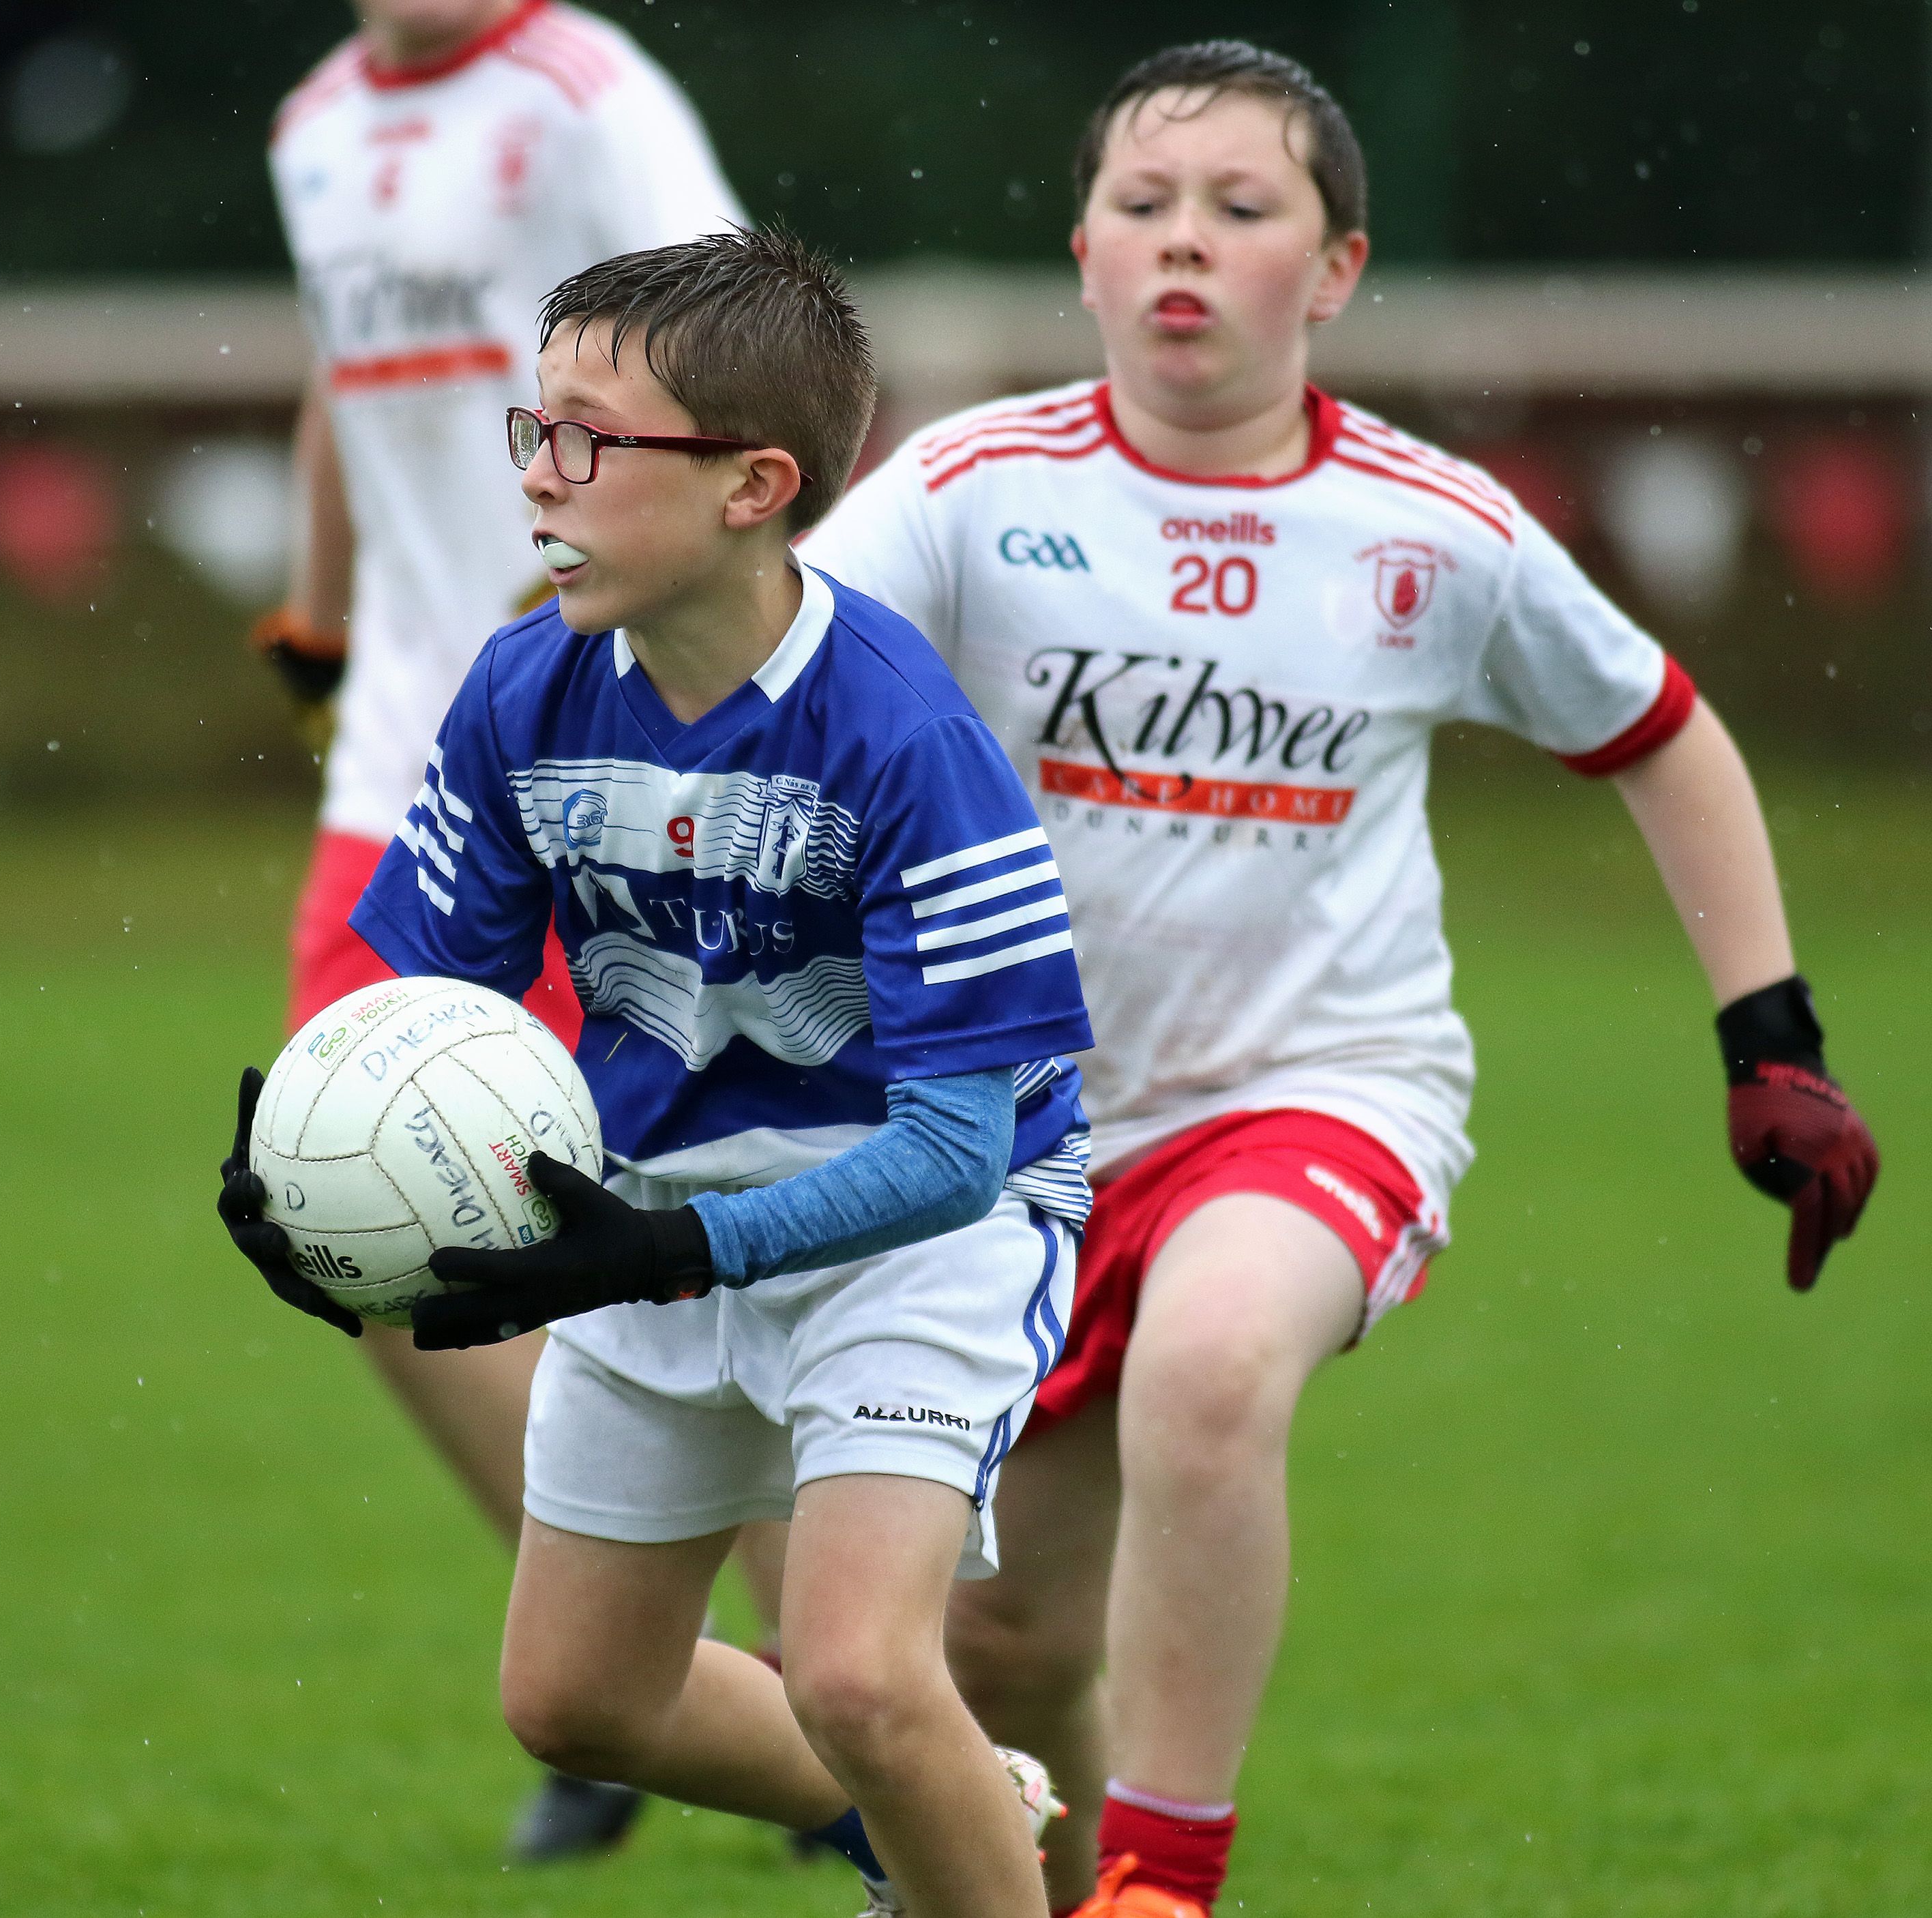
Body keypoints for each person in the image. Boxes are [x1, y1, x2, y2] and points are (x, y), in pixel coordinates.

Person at [799, 42, 1881, 1917]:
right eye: (1144, 208)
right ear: (1083, 255)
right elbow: (776, 682)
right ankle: (1014, 1863)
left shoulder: (1431, 528)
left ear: (1341, 268)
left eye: (1242, 207)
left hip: (1322, 1087)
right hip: (1017, 1130)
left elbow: (1662, 734)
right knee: (1005, 1637)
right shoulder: (970, 490)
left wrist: (1768, 1036)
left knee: (1217, 1366)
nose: (1185, 248)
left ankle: (1160, 1883)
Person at [224, 227, 1086, 1918]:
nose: (538, 480)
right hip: (654, 1208)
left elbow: (956, 1148)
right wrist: (305, 1167)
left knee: (855, 1669)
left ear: (752, 486)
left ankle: (931, 1794)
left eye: (589, 442)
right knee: (577, 1699)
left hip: (920, 1235)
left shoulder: (900, 735)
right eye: (528, 430)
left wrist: (667, 1251)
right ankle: (957, 1795)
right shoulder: (522, 684)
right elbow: (432, 1004)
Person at [257, 0, 744, 1855]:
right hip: (401, 766)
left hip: (602, 749)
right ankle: (632, 1664)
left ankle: (749, 1683)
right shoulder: (313, 121)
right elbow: (342, 375)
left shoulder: (584, 95)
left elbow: (748, 364)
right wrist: (316, 616)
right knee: (359, 1222)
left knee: (680, 1231)